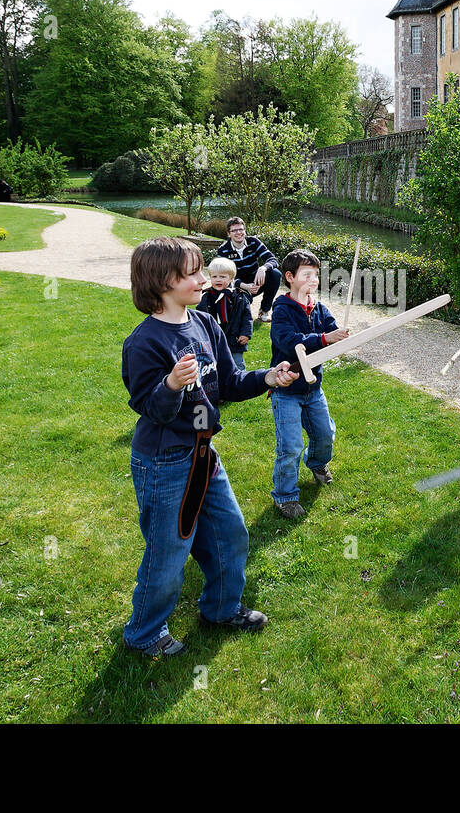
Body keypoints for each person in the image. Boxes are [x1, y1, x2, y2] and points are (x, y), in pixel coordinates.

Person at [122, 236, 299, 657]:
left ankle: (221, 609)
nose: (203, 279)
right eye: (193, 273)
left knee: (230, 533)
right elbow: (151, 408)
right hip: (164, 461)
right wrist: (170, 385)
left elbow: (231, 383)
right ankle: (143, 632)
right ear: (162, 281)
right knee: (169, 551)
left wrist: (268, 378)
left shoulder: (205, 325)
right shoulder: (144, 343)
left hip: (204, 454)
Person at [267, 249, 349, 519]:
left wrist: (341, 336)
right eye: (307, 275)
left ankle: (317, 463)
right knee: (290, 446)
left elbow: (332, 329)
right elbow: (289, 341)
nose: (313, 280)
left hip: (314, 389)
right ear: (290, 277)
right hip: (287, 390)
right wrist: (324, 339)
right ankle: (286, 496)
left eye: (316, 275)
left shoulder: (318, 307)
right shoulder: (281, 309)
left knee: (325, 435)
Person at [216, 218, 281, 323]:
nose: (238, 233)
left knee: (275, 274)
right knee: (239, 318)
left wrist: (263, 268)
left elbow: (273, 260)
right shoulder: (223, 250)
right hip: (237, 286)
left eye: (241, 229)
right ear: (229, 233)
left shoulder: (253, 242)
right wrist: (244, 286)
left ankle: (264, 311)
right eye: (234, 230)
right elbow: (223, 276)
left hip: (256, 281)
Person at [196, 257, 254, 371]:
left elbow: (247, 317)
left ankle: (239, 384)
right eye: (214, 276)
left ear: (231, 279)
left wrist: (246, 334)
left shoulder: (239, 297)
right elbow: (200, 316)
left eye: (222, 277)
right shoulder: (207, 297)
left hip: (234, 337)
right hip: (214, 338)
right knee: (214, 364)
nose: (218, 279)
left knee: (237, 364)